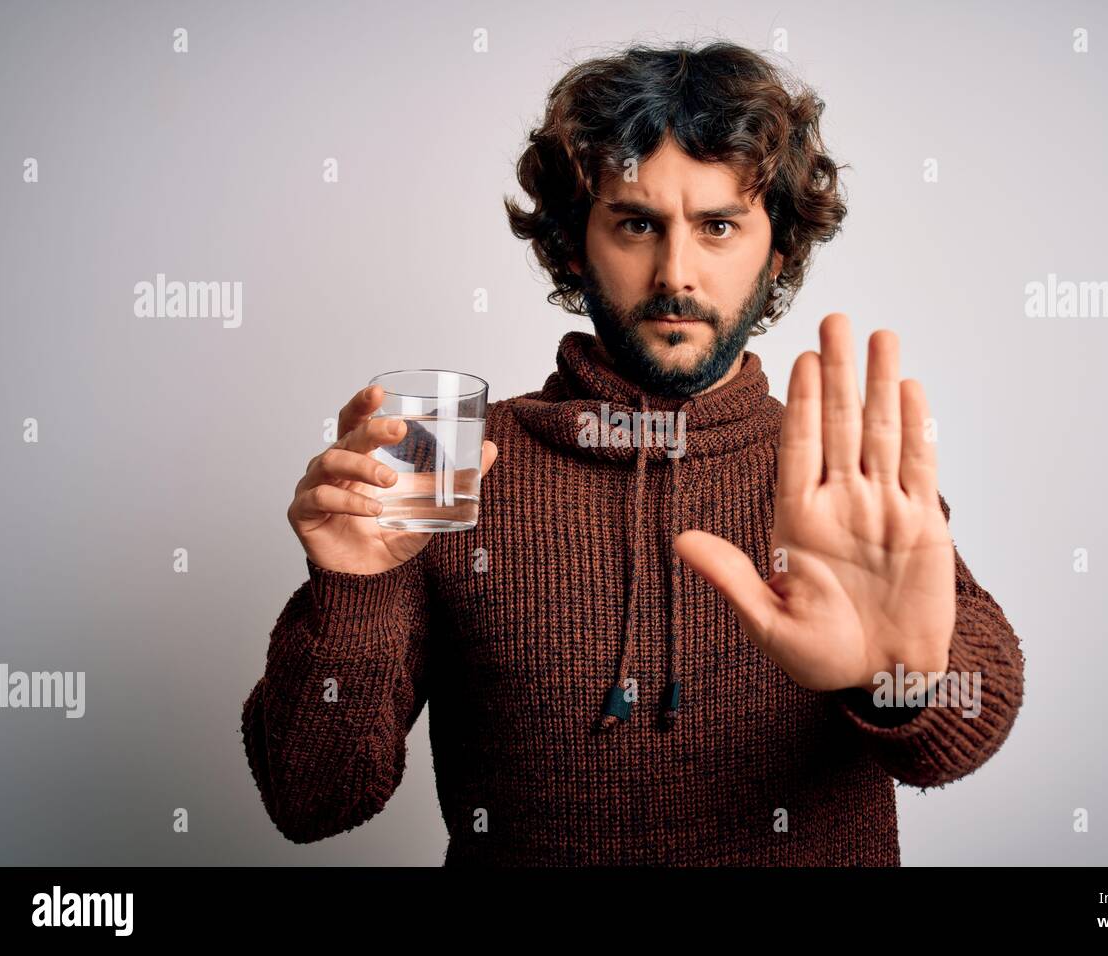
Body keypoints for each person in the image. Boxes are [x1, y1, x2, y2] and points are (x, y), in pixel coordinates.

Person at [240, 40, 1025, 866]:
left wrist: (897, 682)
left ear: (778, 252)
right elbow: (311, 801)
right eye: (637, 223)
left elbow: (973, 721)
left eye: (719, 225)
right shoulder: (449, 459)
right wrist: (350, 594)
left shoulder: (840, 469)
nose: (675, 273)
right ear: (576, 245)